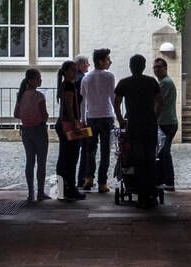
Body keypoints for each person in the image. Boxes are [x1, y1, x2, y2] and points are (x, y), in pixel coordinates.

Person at [113, 54, 162, 208]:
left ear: (130, 66)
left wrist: (120, 118)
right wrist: (155, 115)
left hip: (134, 126)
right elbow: (161, 101)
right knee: (151, 160)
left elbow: (116, 101)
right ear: (143, 66)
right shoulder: (151, 82)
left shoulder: (125, 83)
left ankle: (142, 195)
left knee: (139, 161)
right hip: (150, 125)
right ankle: (151, 193)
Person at [79, 47, 116, 192]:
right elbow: (112, 98)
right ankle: (102, 182)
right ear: (101, 61)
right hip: (106, 117)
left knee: (90, 150)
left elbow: (82, 101)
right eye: (108, 59)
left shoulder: (86, 78)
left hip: (91, 118)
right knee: (105, 150)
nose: (110, 61)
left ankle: (89, 178)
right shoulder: (109, 77)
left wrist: (82, 119)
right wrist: (118, 115)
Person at [14, 67, 48, 204]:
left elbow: (16, 114)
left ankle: (30, 193)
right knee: (41, 162)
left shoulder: (20, 95)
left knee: (30, 161)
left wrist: (26, 116)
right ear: (31, 80)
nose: (40, 80)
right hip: (39, 129)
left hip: (26, 130)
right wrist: (40, 117)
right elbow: (44, 115)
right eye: (38, 78)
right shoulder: (39, 96)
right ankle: (40, 192)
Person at [55, 59, 87, 202]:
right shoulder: (68, 86)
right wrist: (76, 124)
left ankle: (63, 189)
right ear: (66, 72)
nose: (75, 72)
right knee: (71, 158)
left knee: (64, 158)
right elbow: (69, 106)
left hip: (65, 124)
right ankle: (71, 189)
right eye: (73, 70)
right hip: (69, 124)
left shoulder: (65, 85)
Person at [153, 56, 179, 190]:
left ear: (165, 68)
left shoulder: (165, 83)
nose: (156, 70)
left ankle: (169, 181)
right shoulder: (162, 82)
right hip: (165, 121)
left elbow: (157, 101)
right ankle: (163, 180)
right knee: (162, 152)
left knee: (164, 152)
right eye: (155, 67)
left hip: (167, 122)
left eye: (159, 67)